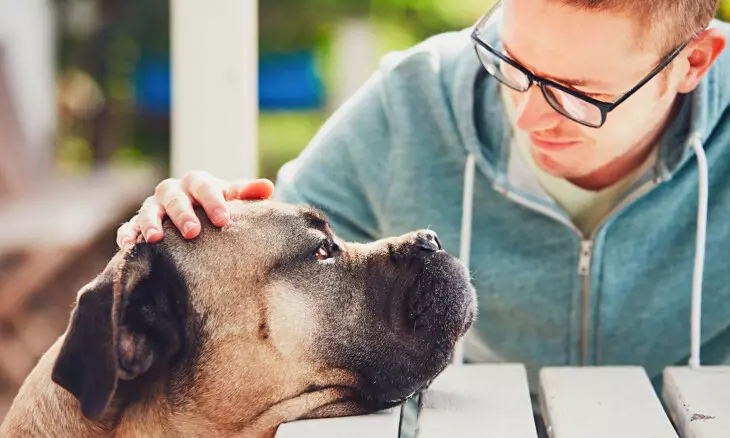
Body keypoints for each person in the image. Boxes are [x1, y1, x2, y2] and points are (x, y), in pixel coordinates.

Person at [118, 0, 730, 411]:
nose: (528, 114)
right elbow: (283, 255)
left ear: (694, 63)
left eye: (579, 96)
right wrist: (197, 231)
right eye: (515, 65)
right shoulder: (409, 105)